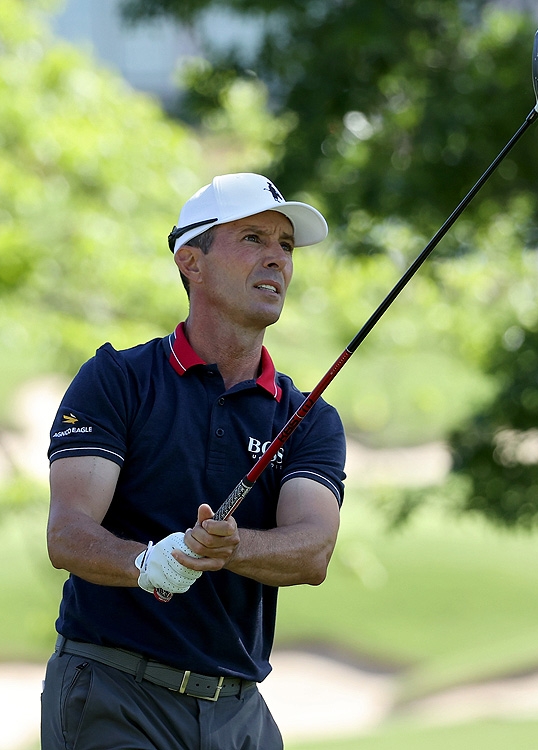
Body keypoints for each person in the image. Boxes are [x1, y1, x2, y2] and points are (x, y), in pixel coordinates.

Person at [40, 173, 347, 750]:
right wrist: (148, 563)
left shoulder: (308, 417)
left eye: (285, 246)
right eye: (253, 238)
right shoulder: (118, 380)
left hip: (239, 712)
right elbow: (68, 534)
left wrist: (233, 548)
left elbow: (312, 549)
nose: (277, 260)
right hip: (115, 692)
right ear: (192, 263)